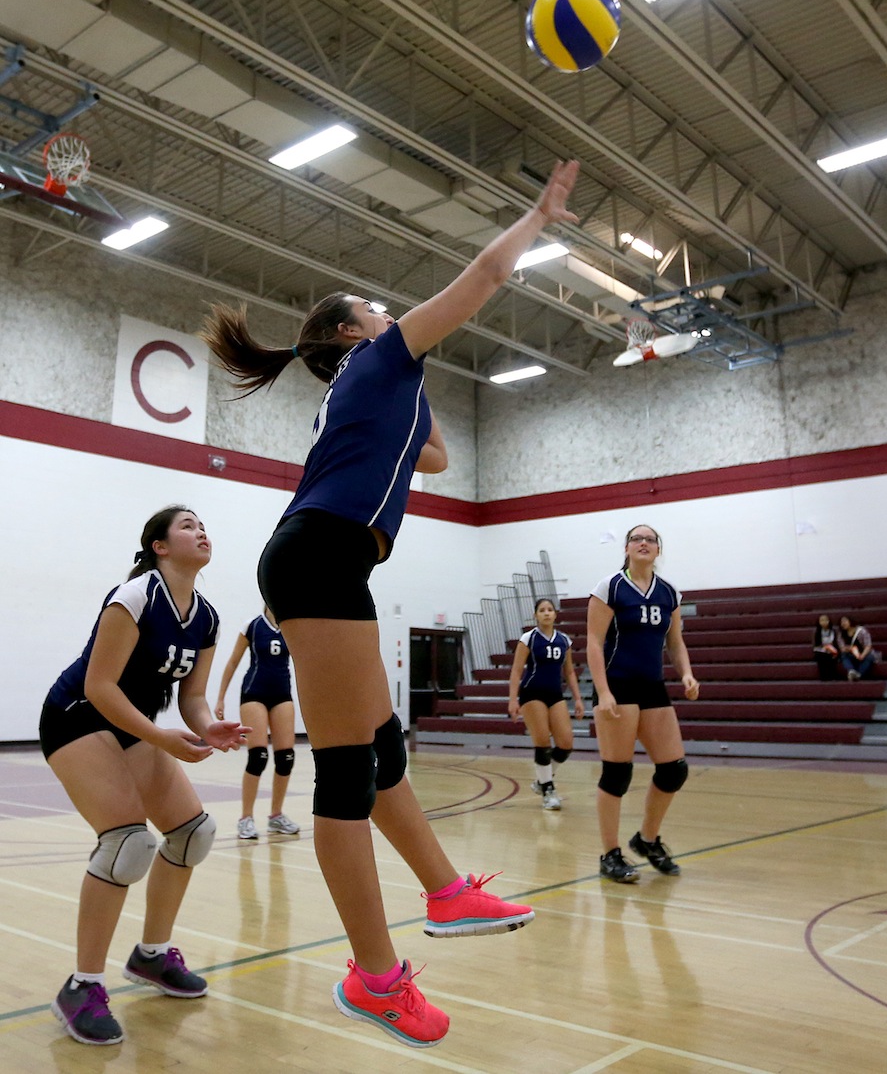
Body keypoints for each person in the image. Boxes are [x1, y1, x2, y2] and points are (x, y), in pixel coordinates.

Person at [201, 158, 579, 1049]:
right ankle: (374, 979)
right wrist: (538, 214)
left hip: (335, 564)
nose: (389, 309)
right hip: (319, 558)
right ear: (349, 330)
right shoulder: (374, 362)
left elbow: (437, 458)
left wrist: (413, 369)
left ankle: (446, 894)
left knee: (381, 748)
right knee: (346, 772)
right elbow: (484, 278)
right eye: (375, 305)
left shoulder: (379, 382)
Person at [39, 506, 248, 1046]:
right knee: (127, 844)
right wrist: (162, 739)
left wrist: (209, 727)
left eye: (205, 524)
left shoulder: (206, 617)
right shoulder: (134, 596)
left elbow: (193, 698)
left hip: (132, 726)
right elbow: (100, 686)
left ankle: (151, 955)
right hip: (77, 715)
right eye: (187, 525)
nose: (201, 531)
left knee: (192, 832)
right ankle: (82, 985)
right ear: (159, 545)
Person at [586, 524, 700, 884]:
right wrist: (603, 692)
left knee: (673, 769)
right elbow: (592, 641)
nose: (644, 543)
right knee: (617, 773)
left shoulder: (669, 593)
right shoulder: (611, 587)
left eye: (651, 539)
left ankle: (647, 839)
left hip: (652, 686)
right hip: (616, 685)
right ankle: (610, 854)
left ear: (658, 549)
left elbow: (675, 642)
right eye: (637, 538)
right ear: (626, 548)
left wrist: (686, 674)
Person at [215, 608, 300, 839]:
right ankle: (246, 818)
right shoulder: (252, 625)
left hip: (282, 694)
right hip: (254, 694)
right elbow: (233, 662)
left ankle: (276, 816)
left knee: (286, 759)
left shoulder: (292, 626)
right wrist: (221, 697)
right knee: (258, 756)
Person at [507, 597, 585, 810]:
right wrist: (513, 699)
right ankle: (548, 790)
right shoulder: (529, 638)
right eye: (542, 610)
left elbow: (569, 671)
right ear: (536, 615)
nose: (547, 613)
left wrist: (578, 698)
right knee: (542, 741)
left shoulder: (563, 640)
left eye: (550, 609)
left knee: (566, 743)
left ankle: (542, 780)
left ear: (555, 614)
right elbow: (516, 670)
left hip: (555, 694)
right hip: (532, 693)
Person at [839, 615, 875, 680]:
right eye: (841, 622)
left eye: (845, 621)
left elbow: (868, 645)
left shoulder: (862, 631)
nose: (843, 624)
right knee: (843, 655)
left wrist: (862, 655)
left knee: (870, 657)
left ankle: (859, 674)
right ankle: (851, 671)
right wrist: (847, 649)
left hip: (863, 653)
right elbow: (842, 647)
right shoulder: (841, 634)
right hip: (851, 654)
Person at [812, 614, 841, 681]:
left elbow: (837, 643)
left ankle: (833, 676)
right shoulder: (816, 632)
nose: (824, 622)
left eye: (825, 620)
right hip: (820, 651)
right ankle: (824, 676)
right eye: (822, 620)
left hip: (832, 651)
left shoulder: (834, 631)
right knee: (821, 657)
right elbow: (815, 645)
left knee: (832, 657)